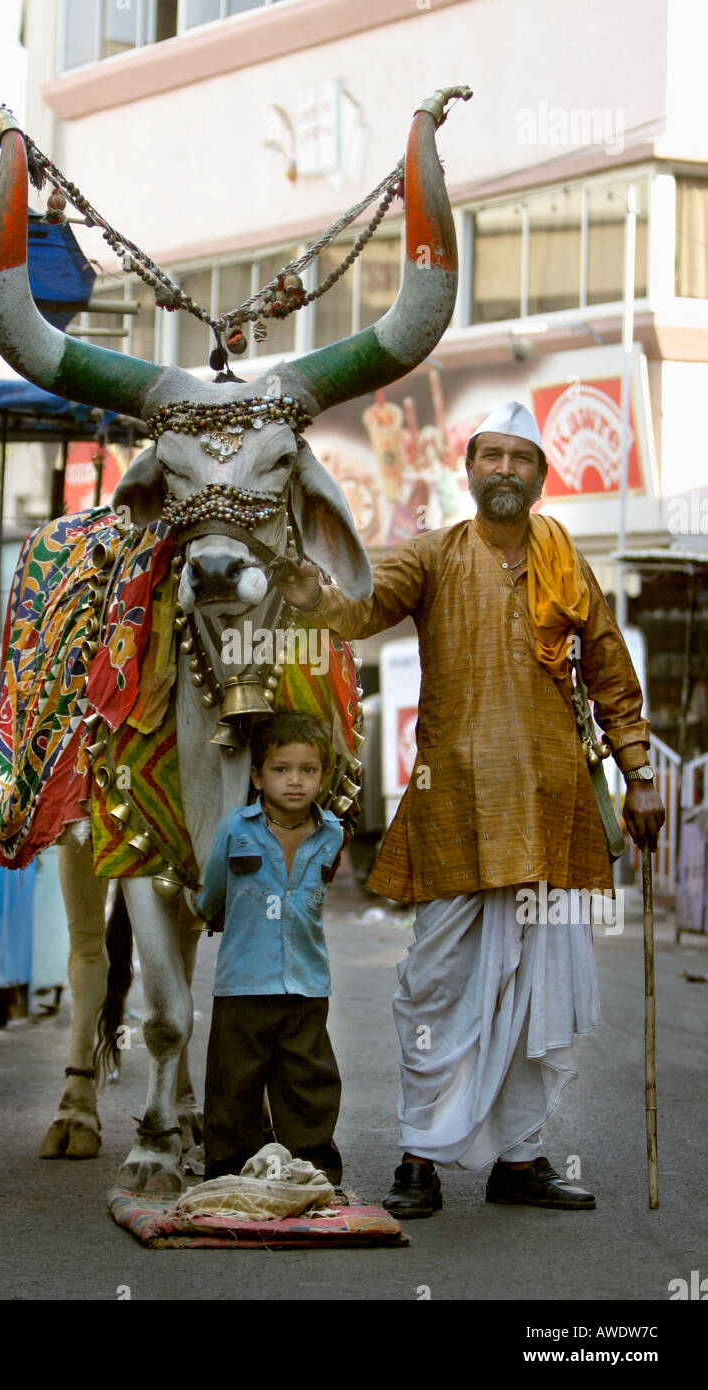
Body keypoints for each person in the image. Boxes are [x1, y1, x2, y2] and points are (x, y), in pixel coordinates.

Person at [273, 401, 665, 1217]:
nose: (505, 471)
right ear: (471, 469)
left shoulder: (568, 565)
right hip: (456, 810)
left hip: (553, 813)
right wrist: (315, 591)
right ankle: (420, 1155)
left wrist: (640, 775)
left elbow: (613, 679)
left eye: (522, 459)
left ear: (540, 478)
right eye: (492, 456)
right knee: (437, 985)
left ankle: (519, 1161)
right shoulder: (434, 555)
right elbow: (363, 607)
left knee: (537, 996)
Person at [194, 711, 345, 1185]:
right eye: (281, 770)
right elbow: (211, 893)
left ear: (324, 775)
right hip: (243, 982)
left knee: (309, 1083)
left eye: (308, 770)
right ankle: (225, 1175)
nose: (295, 781)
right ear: (258, 776)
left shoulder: (333, 833)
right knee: (234, 1084)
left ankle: (315, 1173)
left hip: (306, 983)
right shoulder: (235, 829)